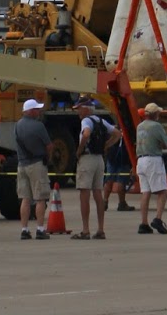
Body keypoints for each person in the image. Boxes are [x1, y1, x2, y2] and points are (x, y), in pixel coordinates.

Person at [72, 97, 120, 239]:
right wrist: (106, 145)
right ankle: (100, 229)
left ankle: (85, 230)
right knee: (98, 193)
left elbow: (86, 134)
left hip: (87, 158)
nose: (78, 112)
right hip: (99, 159)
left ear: (86, 109)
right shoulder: (100, 120)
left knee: (84, 194)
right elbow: (117, 134)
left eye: (79, 108)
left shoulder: (86, 121)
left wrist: (79, 150)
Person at [14, 96, 51, 241]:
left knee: (25, 198)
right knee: (40, 198)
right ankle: (40, 229)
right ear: (30, 111)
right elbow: (49, 145)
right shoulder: (38, 126)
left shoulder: (17, 125)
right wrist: (49, 157)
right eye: (36, 109)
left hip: (22, 164)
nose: (39, 111)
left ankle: (24, 229)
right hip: (36, 164)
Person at [134, 101, 167, 236]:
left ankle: (143, 223)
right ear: (155, 114)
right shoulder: (157, 126)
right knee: (162, 191)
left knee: (145, 192)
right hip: (153, 160)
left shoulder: (140, 126)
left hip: (141, 160)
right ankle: (158, 218)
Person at [103, 134, 135, 213]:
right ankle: (122, 203)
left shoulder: (113, 131)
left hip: (111, 157)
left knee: (109, 180)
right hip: (123, 159)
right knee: (121, 181)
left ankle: (104, 202)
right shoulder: (127, 132)